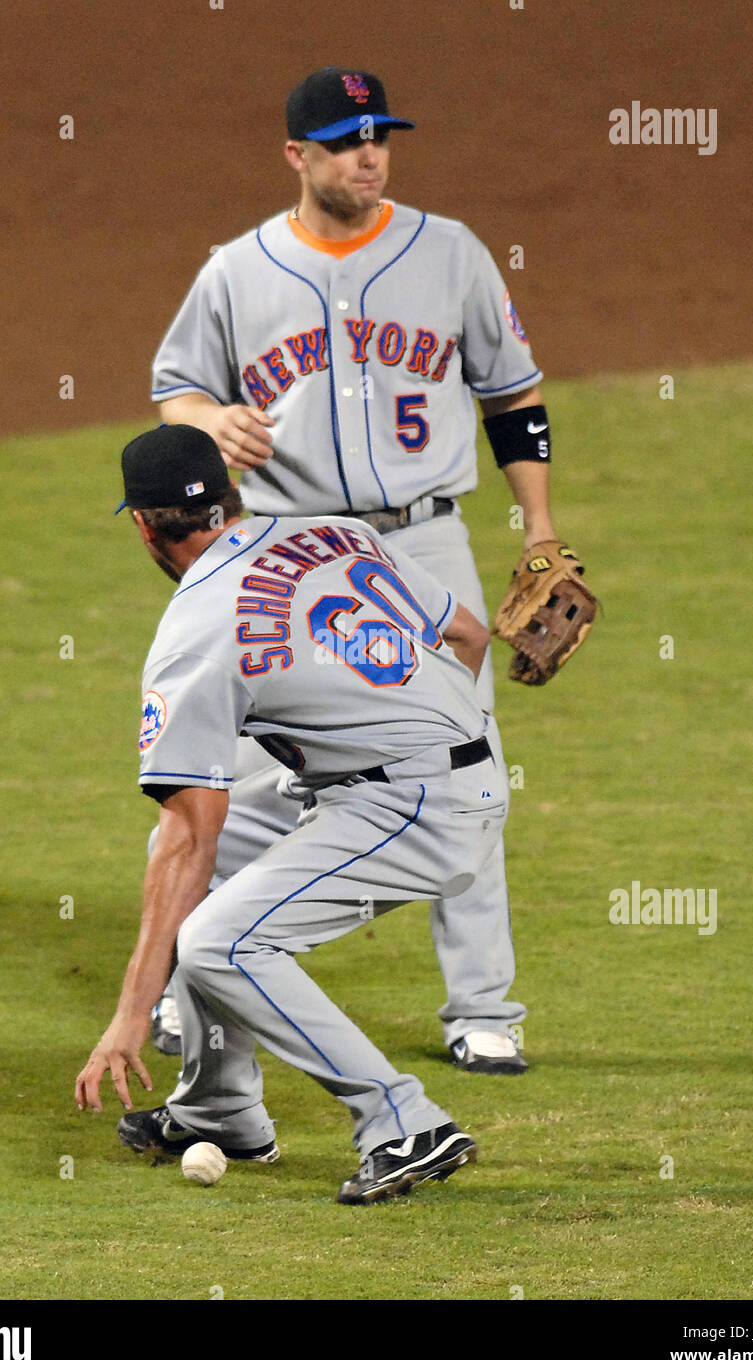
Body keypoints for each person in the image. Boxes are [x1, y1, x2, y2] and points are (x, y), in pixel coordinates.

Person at [149, 66, 562, 1073]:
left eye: (378, 135)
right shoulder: (237, 271)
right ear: (296, 156)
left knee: (464, 766)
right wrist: (216, 419)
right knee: (246, 776)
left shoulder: (452, 252)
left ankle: (482, 1007)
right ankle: (186, 983)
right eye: (341, 141)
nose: (367, 155)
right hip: (290, 549)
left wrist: (539, 526)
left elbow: (514, 398)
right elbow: (175, 392)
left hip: (425, 539)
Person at [75, 424, 509, 1204]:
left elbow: (187, 838)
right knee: (232, 858)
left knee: (217, 938)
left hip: (408, 804)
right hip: (454, 770)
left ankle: (403, 1121)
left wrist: (129, 1015)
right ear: (231, 493)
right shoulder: (334, 533)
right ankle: (222, 1110)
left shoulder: (196, 632)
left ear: (142, 524)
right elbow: (467, 635)